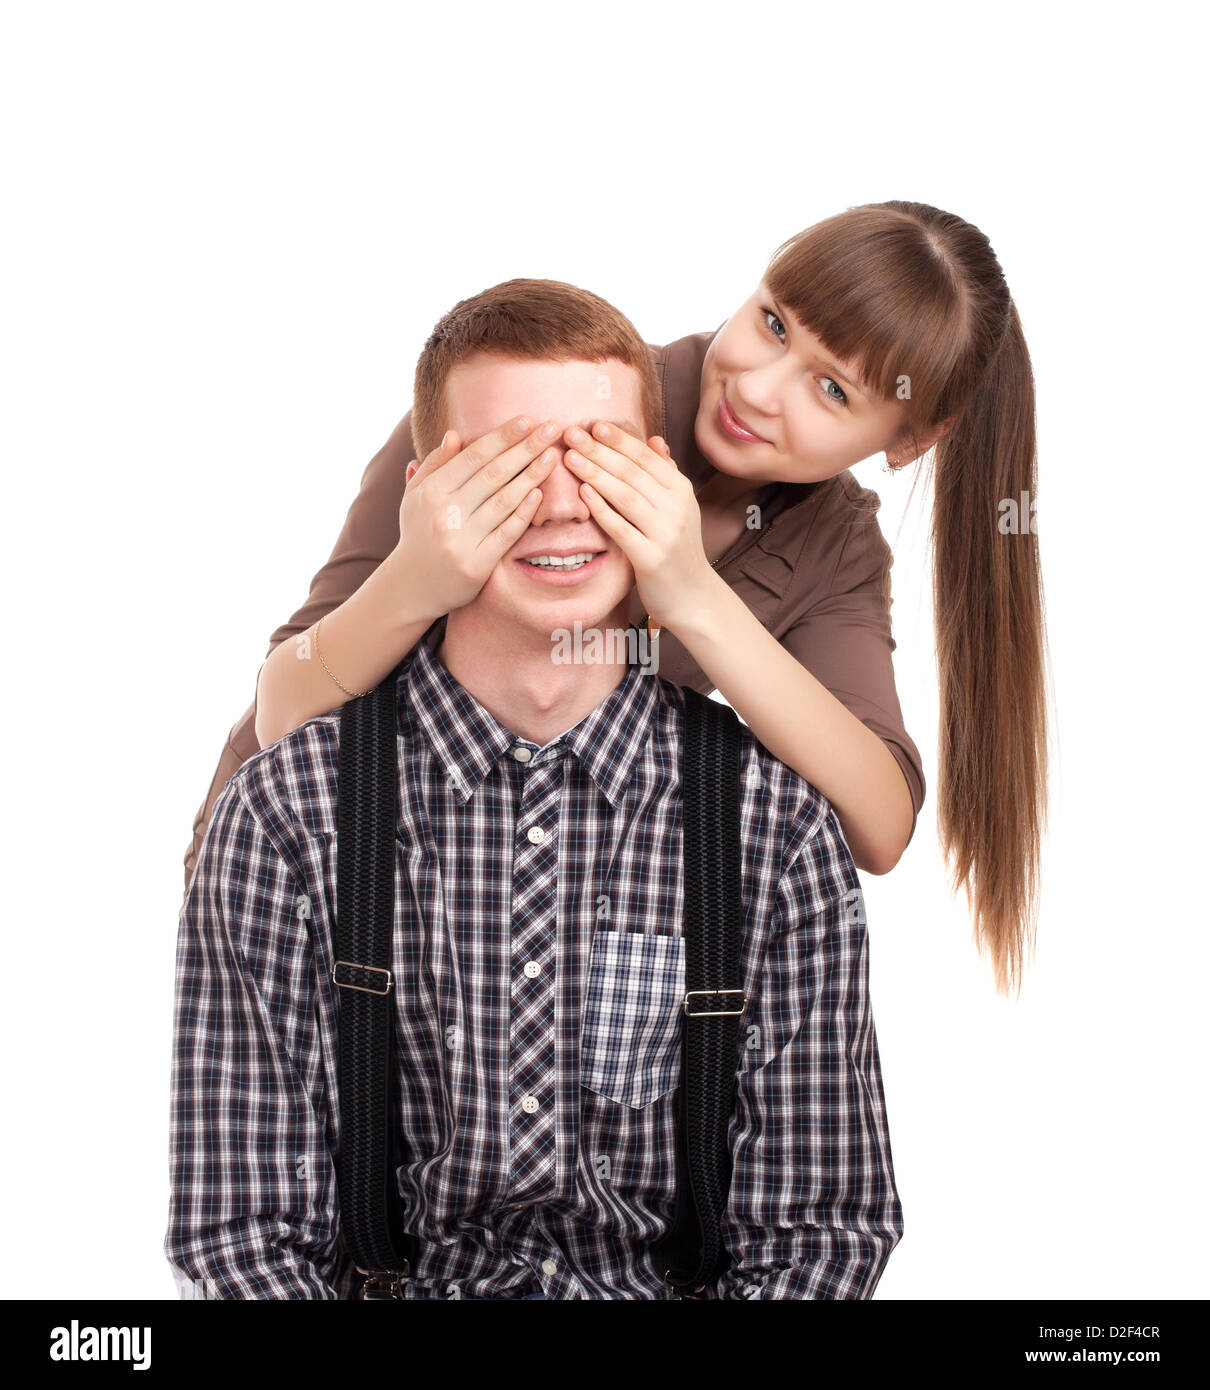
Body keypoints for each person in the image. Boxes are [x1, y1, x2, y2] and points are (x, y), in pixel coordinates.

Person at [165, 280, 903, 1299]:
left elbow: (817, 1237)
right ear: (427, 494)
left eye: (596, 458)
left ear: (660, 486)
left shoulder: (773, 829)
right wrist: (421, 576)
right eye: (509, 464)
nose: (556, 497)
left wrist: (688, 590)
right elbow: (241, 1237)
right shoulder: (292, 816)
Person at [185, 200, 1048, 996]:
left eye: (831, 390)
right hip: (317, 884)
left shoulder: (834, 548)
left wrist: (695, 598)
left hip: (525, 924)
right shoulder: (548, 389)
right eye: (773, 322)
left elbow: (880, 822)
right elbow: (281, 708)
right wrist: (416, 582)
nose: (756, 386)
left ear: (909, 440)